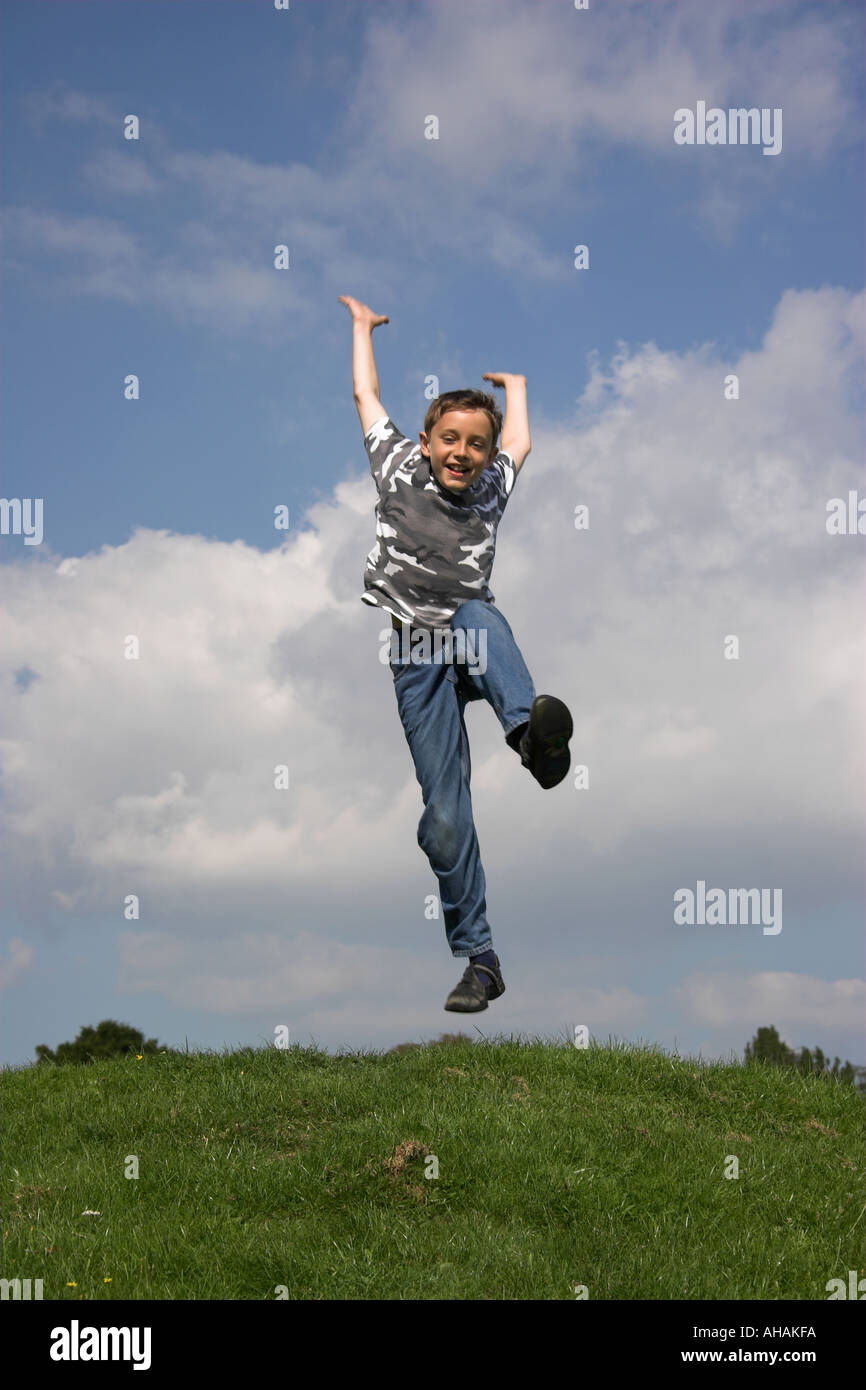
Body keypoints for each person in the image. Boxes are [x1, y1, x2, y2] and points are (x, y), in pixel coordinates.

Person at [339, 295, 573, 1012]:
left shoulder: (492, 488)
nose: (462, 453)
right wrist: (361, 330)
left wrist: (520, 393)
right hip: (417, 660)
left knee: (478, 611)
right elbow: (364, 393)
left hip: (470, 643)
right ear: (427, 438)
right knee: (444, 821)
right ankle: (481, 960)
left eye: (476, 444)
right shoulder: (397, 467)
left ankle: (531, 739)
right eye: (450, 439)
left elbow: (522, 446)